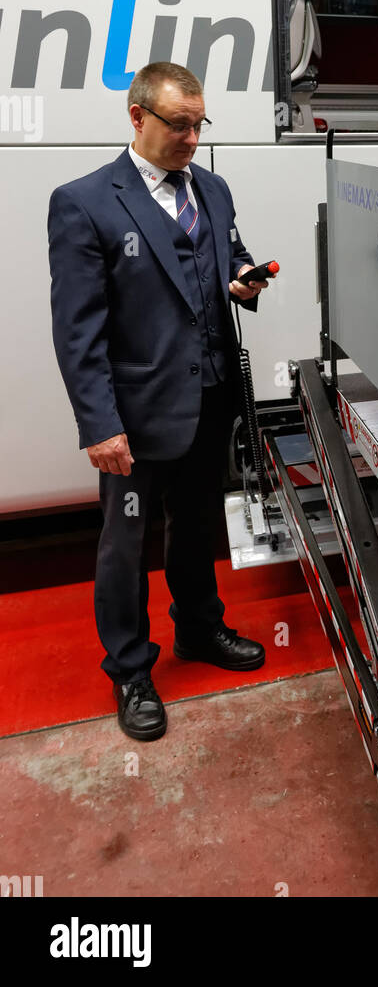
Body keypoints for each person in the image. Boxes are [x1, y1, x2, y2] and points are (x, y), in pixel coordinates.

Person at [48, 63, 269, 742]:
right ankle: (131, 670)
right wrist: (100, 424)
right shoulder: (85, 201)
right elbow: (77, 327)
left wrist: (243, 278)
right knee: (127, 542)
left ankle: (199, 629)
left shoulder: (213, 188)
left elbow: (228, 253)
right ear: (137, 117)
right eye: (180, 125)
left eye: (200, 125)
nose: (193, 140)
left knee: (198, 525)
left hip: (207, 400)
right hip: (137, 416)